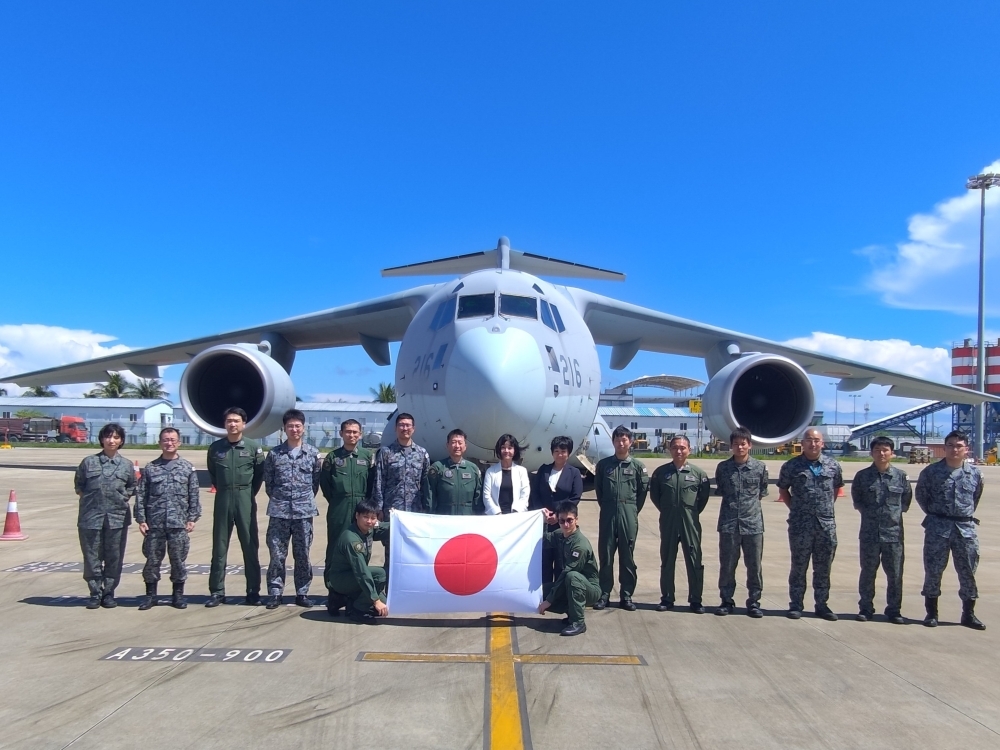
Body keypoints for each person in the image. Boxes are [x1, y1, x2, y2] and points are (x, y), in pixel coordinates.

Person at [915, 430, 985, 630]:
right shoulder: (931, 472)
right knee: (933, 570)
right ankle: (931, 613)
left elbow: (975, 498)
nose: (955, 449)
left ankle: (968, 614)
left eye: (959, 446)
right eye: (951, 445)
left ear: (966, 449)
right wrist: (937, 515)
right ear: (944, 448)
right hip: (938, 526)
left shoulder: (975, 474)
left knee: (968, 572)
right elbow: (922, 496)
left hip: (965, 528)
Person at [777, 428, 844, 621]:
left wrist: (824, 511)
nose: (812, 444)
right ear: (802, 443)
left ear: (822, 443)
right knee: (799, 566)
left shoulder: (833, 465)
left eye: (816, 440)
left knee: (823, 567)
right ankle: (796, 604)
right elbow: (783, 490)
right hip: (800, 525)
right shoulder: (792, 466)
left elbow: (836, 490)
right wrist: (796, 510)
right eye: (809, 440)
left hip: (825, 525)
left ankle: (822, 605)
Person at [206, 407, 266, 607]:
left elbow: (259, 475)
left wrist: (247, 493)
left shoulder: (252, 448)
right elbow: (213, 473)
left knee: (250, 545)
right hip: (223, 497)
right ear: (224, 424)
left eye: (236, 421)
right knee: (219, 546)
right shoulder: (215, 449)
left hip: (245, 497)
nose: (233, 424)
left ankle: (253, 591)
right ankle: (217, 591)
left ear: (244, 424)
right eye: (229, 421)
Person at [135, 427, 200, 610]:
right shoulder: (151, 468)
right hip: (154, 523)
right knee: (152, 561)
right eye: (165, 440)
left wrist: (192, 518)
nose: (169, 443)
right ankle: (151, 596)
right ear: (160, 443)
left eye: (172, 440)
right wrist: (141, 519)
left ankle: (177, 595)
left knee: (178, 560)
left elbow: (193, 494)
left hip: (178, 523)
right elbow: (141, 495)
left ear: (179, 443)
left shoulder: (187, 468)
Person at [262, 409, 321, 609]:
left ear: (303, 428)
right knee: (277, 554)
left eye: (297, 426)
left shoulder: (312, 454)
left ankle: (302, 592)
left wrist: (301, 500)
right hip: (279, 511)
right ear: (284, 428)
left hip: (304, 513)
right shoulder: (274, 454)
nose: (294, 429)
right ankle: (275, 592)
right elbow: (269, 483)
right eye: (290, 426)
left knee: (303, 554)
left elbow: (315, 483)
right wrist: (282, 500)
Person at [75, 423, 136, 609]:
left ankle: (109, 592)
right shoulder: (88, 462)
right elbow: (79, 485)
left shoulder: (126, 465)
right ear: (101, 439)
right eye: (108, 437)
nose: (112, 440)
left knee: (114, 557)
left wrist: (122, 497)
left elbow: (132, 486)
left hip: (117, 518)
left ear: (121, 441)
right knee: (92, 556)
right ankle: (94, 593)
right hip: (90, 518)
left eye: (116, 437)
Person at [851, 436, 911, 624]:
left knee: (895, 574)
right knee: (868, 572)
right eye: (877, 450)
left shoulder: (900, 476)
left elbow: (905, 502)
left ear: (892, 453)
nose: (881, 453)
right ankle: (866, 608)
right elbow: (858, 500)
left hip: (893, 535)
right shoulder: (862, 476)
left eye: (885, 450)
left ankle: (894, 610)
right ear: (871, 453)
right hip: (869, 534)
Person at [650, 435, 711, 613]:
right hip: (668, 521)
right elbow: (656, 496)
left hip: (690, 523)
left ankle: (695, 600)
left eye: (682, 448)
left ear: (689, 450)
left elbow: (703, 499)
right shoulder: (660, 473)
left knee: (694, 560)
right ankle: (667, 598)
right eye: (675, 447)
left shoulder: (699, 474)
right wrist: (669, 511)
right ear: (670, 450)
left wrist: (689, 512)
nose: (679, 451)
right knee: (667, 560)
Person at [319, 418, 375, 614]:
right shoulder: (332, 458)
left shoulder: (368, 457)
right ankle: (333, 592)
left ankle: (356, 592)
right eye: (348, 432)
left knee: (360, 549)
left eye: (355, 432)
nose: (352, 435)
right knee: (335, 549)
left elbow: (371, 484)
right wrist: (337, 502)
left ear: (360, 434)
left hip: (360, 508)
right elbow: (325, 486)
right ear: (341, 434)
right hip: (339, 508)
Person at [713, 426, 768, 618]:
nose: (739, 447)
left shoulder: (759, 468)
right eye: (736, 444)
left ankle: (754, 602)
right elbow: (721, 489)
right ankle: (726, 600)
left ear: (750, 445)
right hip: (729, 524)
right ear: (731, 446)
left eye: (743, 444)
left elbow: (761, 492)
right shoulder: (723, 468)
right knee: (727, 565)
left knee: (754, 566)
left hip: (753, 525)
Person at [594, 426, 649, 611]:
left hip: (628, 512)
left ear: (630, 442)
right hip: (608, 512)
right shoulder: (603, 465)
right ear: (613, 442)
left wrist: (631, 510)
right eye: (617, 440)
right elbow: (599, 492)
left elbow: (642, 493)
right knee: (606, 555)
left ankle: (626, 595)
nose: (621, 443)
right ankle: (604, 594)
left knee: (627, 557)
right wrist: (610, 506)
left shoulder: (638, 467)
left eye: (624, 439)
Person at [373, 412, 430, 583]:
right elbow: (379, 481)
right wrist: (379, 508)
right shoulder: (386, 452)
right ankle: (391, 589)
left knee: (414, 552)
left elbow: (426, 483)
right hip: (393, 512)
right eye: (401, 425)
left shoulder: (421, 453)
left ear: (413, 428)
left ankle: (413, 587)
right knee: (392, 552)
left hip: (415, 512)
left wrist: (426, 509)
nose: (405, 428)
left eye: (408, 425)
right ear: (396, 428)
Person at [537, 501, 601, 636]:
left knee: (572, 577)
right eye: (562, 521)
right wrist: (544, 522)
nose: (566, 525)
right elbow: (542, 541)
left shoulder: (580, 545)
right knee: (539, 593)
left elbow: (567, 573)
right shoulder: (560, 534)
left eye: (570, 520)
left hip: (589, 589)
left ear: (576, 520)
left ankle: (578, 622)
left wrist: (549, 601)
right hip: (570, 584)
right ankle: (571, 613)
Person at [326, 497, 391, 623]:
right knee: (381, 574)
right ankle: (358, 611)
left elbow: (386, 527)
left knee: (386, 605)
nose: (369, 521)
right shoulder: (352, 540)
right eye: (365, 517)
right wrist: (375, 600)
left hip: (353, 577)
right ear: (357, 515)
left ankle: (344, 599)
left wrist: (404, 523)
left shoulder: (368, 529)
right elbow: (361, 572)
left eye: (373, 518)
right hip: (341, 578)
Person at [531, 436, 583, 584]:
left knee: (561, 561)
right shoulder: (544, 470)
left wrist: (558, 515)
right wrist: (542, 511)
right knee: (544, 559)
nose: (560, 454)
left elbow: (575, 497)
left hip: (563, 524)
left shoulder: (574, 473)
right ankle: (545, 592)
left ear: (569, 453)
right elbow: (535, 493)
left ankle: (559, 595)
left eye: (563, 451)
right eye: (556, 451)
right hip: (544, 522)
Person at [428, 429, 483, 515]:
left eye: (460, 443)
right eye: (453, 442)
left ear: (465, 446)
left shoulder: (473, 469)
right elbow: (430, 496)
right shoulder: (438, 468)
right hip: (444, 518)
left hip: (466, 519)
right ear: (447, 445)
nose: (457, 446)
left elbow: (478, 498)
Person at [483, 434, 531, 514]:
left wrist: (516, 511)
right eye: (503, 448)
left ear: (514, 450)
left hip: (516, 516)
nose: (506, 451)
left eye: (510, 448)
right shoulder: (490, 472)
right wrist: (497, 512)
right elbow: (486, 496)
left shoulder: (522, 471)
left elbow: (525, 494)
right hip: (496, 517)